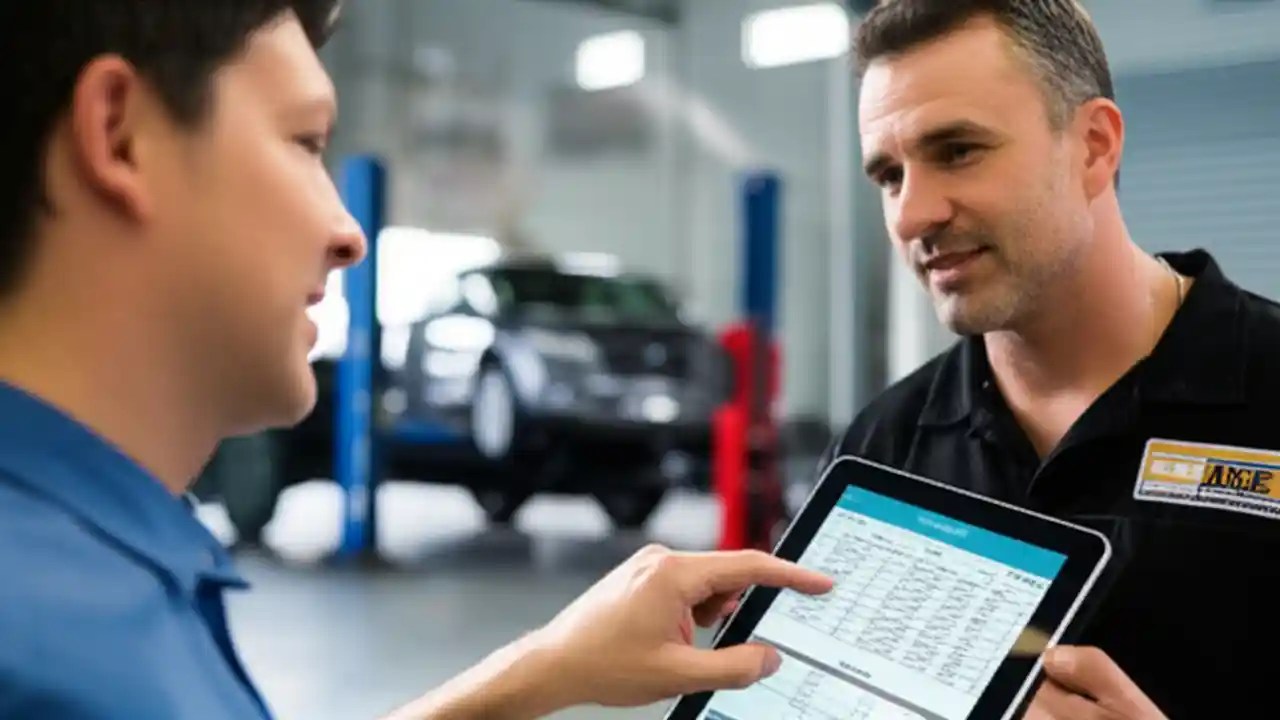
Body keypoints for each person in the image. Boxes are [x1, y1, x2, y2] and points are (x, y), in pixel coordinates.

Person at [0, 2, 836, 718]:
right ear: (122, 135)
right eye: (303, 141)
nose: (348, 232)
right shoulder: (50, 643)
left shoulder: (94, 569)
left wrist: (549, 667)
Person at [827, 0, 1280, 718]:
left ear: (1095, 146)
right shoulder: (882, 450)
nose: (912, 215)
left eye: (957, 151)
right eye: (889, 175)